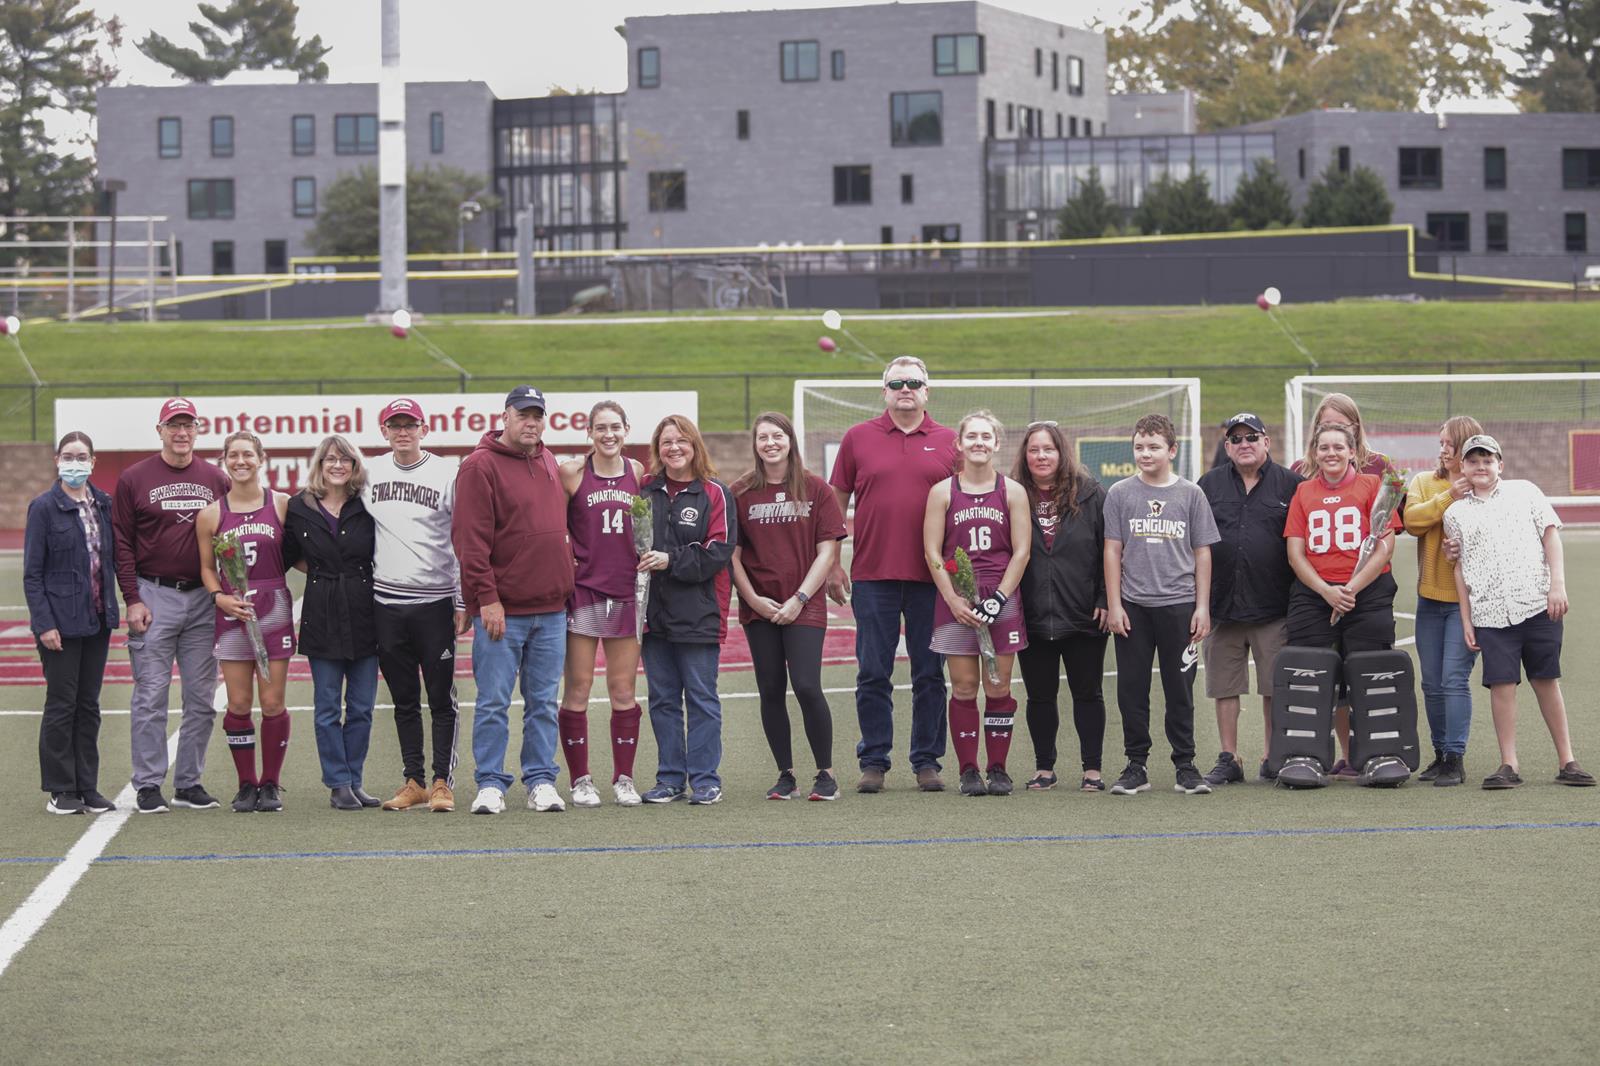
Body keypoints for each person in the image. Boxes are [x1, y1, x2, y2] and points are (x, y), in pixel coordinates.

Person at [827, 356, 958, 793]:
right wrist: (831, 563)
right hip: (872, 575)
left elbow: (967, 507)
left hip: (933, 578)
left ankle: (927, 761)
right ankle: (874, 760)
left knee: (929, 673)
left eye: (914, 382)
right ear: (884, 391)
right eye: (897, 383)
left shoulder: (949, 442)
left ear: (927, 391)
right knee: (872, 672)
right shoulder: (857, 438)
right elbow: (834, 504)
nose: (906, 389)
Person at [1445, 434, 1594, 790]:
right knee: (1502, 685)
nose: (1481, 466)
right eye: (1473, 460)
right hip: (1490, 613)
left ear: (1501, 464)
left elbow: (1550, 537)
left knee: (1546, 680)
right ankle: (1508, 763)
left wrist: (1557, 585)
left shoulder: (1526, 491)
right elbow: (1458, 567)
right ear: (1462, 467)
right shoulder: (1454, 514)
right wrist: (1466, 619)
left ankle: (1567, 760)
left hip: (1537, 604)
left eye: (1488, 459)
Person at [453, 385, 575, 815]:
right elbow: (470, 542)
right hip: (504, 612)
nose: (531, 422)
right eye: (523, 415)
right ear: (504, 417)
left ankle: (541, 780)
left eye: (537, 415)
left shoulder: (546, 458)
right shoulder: (478, 467)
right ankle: (490, 782)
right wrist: (486, 599)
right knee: (492, 703)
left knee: (543, 703)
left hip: (551, 611)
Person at [113, 398, 232, 814]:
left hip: (203, 596)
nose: (181, 433)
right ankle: (148, 784)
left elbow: (230, 537)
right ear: (159, 430)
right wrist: (132, 598)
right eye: (173, 425)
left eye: (188, 425)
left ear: (198, 429)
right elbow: (122, 544)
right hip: (154, 594)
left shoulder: (216, 478)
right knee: (150, 696)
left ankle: (188, 782)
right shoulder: (134, 478)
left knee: (201, 697)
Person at [731, 412, 847, 802]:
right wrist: (752, 600)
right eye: (762, 437)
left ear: (790, 440)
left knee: (807, 686)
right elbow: (732, 554)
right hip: (759, 606)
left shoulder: (816, 488)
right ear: (755, 445)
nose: (770, 443)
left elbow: (828, 548)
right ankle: (786, 774)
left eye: (777, 436)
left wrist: (800, 598)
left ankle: (825, 773)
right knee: (770, 689)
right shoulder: (741, 491)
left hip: (804, 604)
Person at [1102, 413, 1219, 796]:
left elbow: (1202, 553)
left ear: (1172, 450)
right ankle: (1136, 765)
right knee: (1131, 690)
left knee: (1179, 690)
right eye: (1139, 446)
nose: (1145, 453)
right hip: (1134, 607)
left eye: (1154, 446)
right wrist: (1115, 604)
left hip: (1179, 606)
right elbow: (1112, 551)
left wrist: (1201, 607)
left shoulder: (1191, 494)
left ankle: (1185, 765)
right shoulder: (1119, 493)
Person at [1283, 422, 1402, 781]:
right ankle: (1304, 756)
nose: (1331, 454)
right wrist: (1325, 590)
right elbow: (1295, 552)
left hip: (1368, 592)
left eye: (1338, 447)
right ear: (1314, 454)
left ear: (1353, 452)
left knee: (1371, 673)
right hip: (1315, 593)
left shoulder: (1373, 487)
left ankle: (1379, 754)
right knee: (1309, 674)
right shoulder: (1303, 491)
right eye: (1323, 448)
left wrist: (1351, 589)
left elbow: (1384, 545)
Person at [366, 398, 466, 814]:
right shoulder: (369, 473)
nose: (403, 431)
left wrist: (462, 599)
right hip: (387, 604)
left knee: (441, 698)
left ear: (424, 429)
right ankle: (414, 780)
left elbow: (463, 535)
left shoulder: (448, 472)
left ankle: (443, 781)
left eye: (410, 424)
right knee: (404, 698)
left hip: (435, 602)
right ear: (384, 431)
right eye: (395, 425)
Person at [924, 411, 1031, 796]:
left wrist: (1000, 598)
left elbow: (1021, 552)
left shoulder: (1013, 491)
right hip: (957, 599)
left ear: (997, 444)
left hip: (1001, 596)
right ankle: (968, 769)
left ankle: (998, 768)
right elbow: (933, 553)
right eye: (971, 436)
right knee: (965, 686)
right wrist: (952, 599)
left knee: (998, 686)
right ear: (959, 443)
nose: (979, 442)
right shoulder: (942, 492)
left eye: (986, 436)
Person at [1196, 413, 1303, 786]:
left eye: (1251, 437)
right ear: (1227, 446)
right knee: (1224, 686)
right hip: (1221, 606)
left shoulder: (1291, 485)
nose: (1244, 444)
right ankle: (1230, 757)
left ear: (1266, 442)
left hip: (1274, 606)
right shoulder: (1207, 485)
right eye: (1236, 439)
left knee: (1275, 685)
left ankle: (1273, 755)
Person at [637, 415, 737, 805]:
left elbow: (718, 552)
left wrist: (669, 560)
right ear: (657, 450)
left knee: (700, 697)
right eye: (666, 443)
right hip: (652, 614)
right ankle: (670, 779)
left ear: (695, 446)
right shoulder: (645, 491)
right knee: (662, 699)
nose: (674, 448)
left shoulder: (714, 492)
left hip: (698, 613)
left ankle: (706, 779)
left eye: (681, 441)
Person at [196, 430, 295, 813]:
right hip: (232, 609)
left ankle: (270, 783)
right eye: (233, 455)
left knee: (272, 702)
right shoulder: (211, 513)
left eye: (248, 455)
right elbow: (206, 568)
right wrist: (219, 596)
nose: (240, 461)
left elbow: (300, 554)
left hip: (274, 609)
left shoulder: (282, 504)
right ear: (224, 460)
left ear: (260, 458)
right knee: (238, 702)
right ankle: (246, 784)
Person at [1011, 421, 1109, 792]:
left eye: (1048, 449)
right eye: (1034, 450)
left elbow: (1109, 551)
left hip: (1083, 614)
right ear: (1025, 455)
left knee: (1088, 693)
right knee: (1039, 695)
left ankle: (1093, 770)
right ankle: (1044, 768)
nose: (1041, 456)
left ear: (1061, 453)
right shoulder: (1012, 494)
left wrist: (1103, 598)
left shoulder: (1092, 494)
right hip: (1031, 615)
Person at [558, 400, 648, 808]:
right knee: (577, 688)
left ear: (626, 430)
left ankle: (624, 778)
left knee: (623, 688)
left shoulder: (637, 473)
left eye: (615, 427)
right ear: (589, 432)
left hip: (626, 592)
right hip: (584, 592)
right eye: (601, 428)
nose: (608, 435)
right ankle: (580, 780)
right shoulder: (573, 473)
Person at [25, 432, 120, 815]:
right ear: (57, 460)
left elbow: (109, 562)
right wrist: (44, 624)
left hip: (97, 620)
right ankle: (61, 789)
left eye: (82, 456)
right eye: (68, 456)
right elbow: (33, 574)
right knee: (62, 704)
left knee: (89, 705)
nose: (75, 463)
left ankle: (87, 786)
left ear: (93, 462)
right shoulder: (44, 508)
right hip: (60, 625)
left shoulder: (104, 504)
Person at [284, 435, 379, 811]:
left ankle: (354, 779)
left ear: (355, 466)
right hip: (321, 611)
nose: (337, 465)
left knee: (361, 707)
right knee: (326, 706)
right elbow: (291, 556)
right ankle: (337, 783)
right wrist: (327, 572)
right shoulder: (299, 507)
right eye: (330, 459)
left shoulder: (367, 504)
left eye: (345, 460)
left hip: (365, 610)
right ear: (319, 465)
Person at [1402, 415, 1483, 787]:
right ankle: (1439, 755)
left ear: (1464, 444)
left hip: (1467, 602)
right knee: (1431, 682)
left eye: (1448, 443)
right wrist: (1449, 495)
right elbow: (1412, 521)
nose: (1442, 449)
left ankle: (1455, 756)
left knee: (1453, 679)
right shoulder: (1425, 482)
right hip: (1429, 598)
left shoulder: (1485, 487)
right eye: (1441, 443)